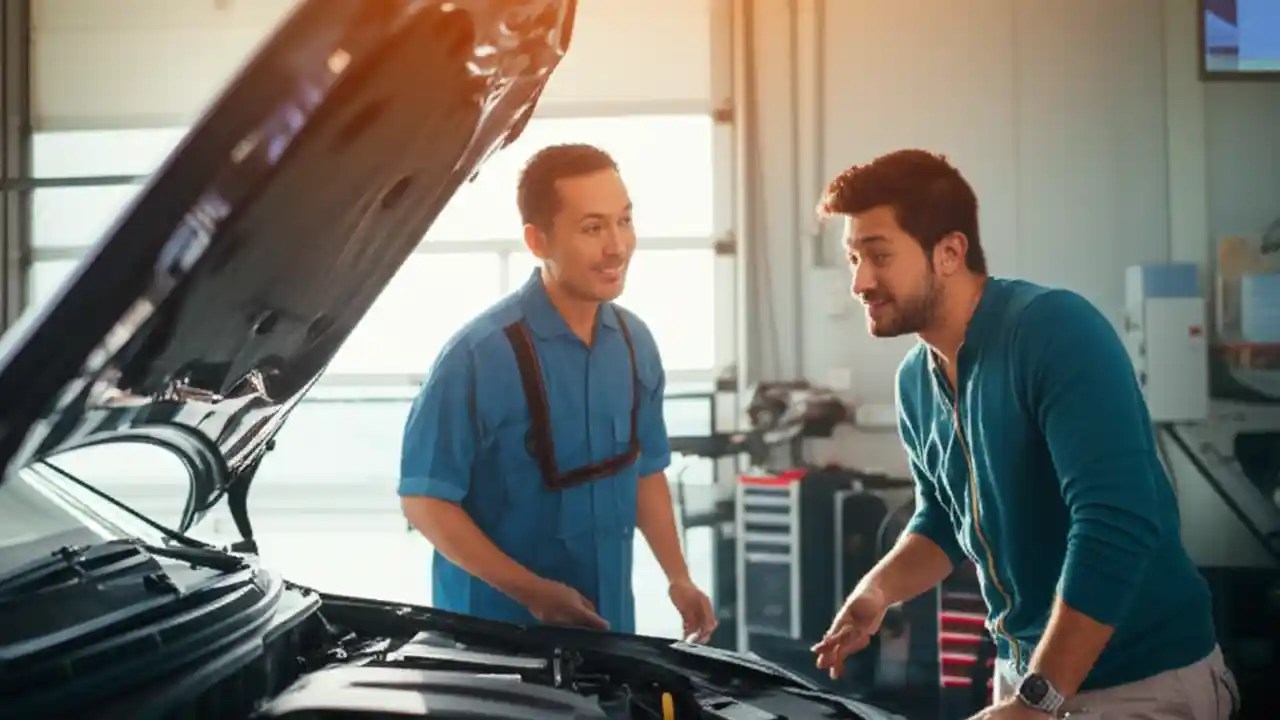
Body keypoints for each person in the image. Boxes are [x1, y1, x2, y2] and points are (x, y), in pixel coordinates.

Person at [809, 149, 1237, 719]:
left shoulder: (1054, 330)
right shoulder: (915, 378)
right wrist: (876, 592)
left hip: (1139, 685)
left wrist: (1039, 697)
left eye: (879, 256)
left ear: (950, 253)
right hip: (1027, 680)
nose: (860, 280)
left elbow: (1116, 521)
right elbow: (942, 522)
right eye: (853, 258)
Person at [398, 143, 717, 642]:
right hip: (493, 642)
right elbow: (425, 501)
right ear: (537, 240)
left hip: (608, 632)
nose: (618, 246)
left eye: (625, 221)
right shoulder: (476, 357)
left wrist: (678, 577)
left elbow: (645, 469)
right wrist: (532, 593)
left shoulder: (636, 346)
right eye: (593, 228)